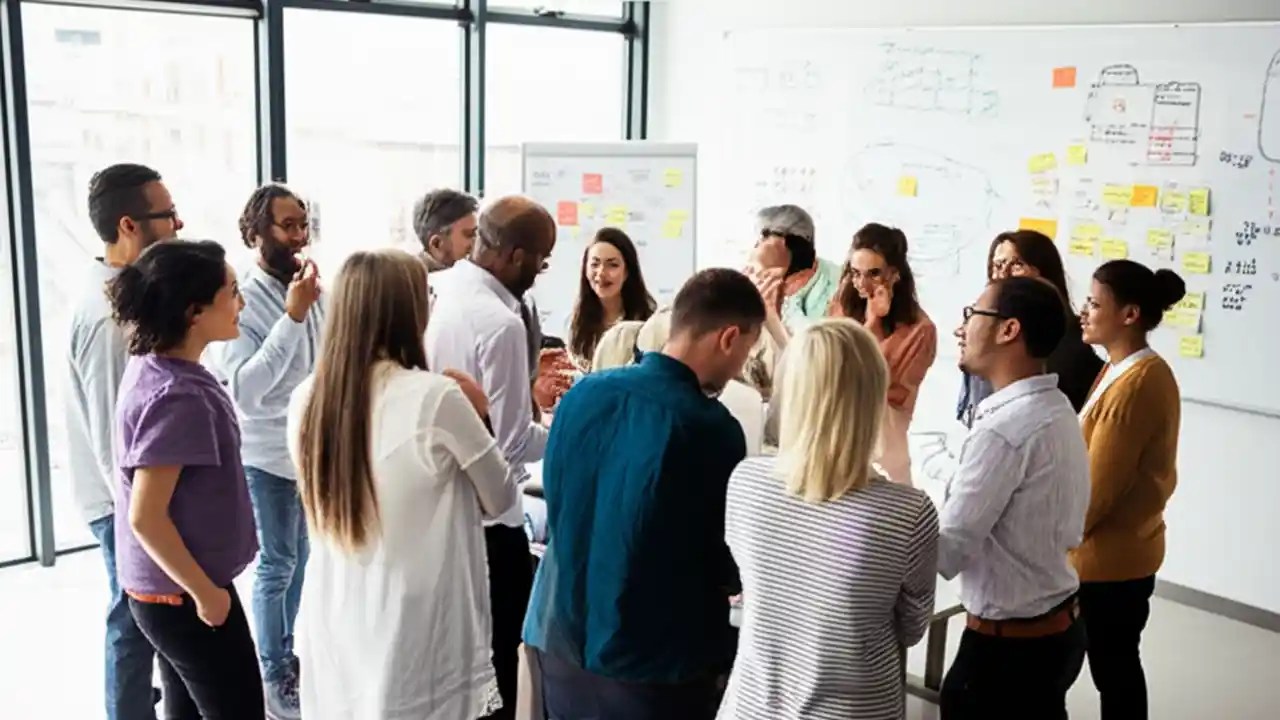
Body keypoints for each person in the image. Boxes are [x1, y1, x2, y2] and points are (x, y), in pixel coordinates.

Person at [523, 268, 765, 719]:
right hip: (651, 656)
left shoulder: (583, 394)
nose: (739, 371)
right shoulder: (710, 427)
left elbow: (560, 503)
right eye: (747, 352)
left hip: (558, 632)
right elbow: (718, 552)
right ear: (730, 337)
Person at [287, 250, 517, 719]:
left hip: (335, 608)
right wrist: (482, 413)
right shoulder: (436, 398)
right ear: (406, 309)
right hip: (417, 620)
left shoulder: (307, 398)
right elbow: (501, 498)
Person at [718, 319, 938, 720]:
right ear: (872, 396)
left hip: (752, 708)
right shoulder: (908, 514)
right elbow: (911, 629)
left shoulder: (746, 483)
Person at [106, 240, 261, 719]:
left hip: (170, 590)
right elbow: (147, 517)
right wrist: (205, 594)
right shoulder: (178, 396)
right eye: (232, 293)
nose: (242, 303)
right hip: (182, 593)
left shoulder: (157, 366)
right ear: (195, 311)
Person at [425, 195, 557, 720]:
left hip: (443, 507)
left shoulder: (443, 287)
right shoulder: (499, 322)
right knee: (499, 666)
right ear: (516, 255)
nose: (541, 271)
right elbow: (506, 446)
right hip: (493, 523)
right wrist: (571, 428)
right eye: (541, 261)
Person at [937, 276, 1090, 719]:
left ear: (1009, 330)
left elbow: (948, 551)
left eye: (973, 315)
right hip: (1057, 630)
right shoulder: (1056, 408)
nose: (961, 329)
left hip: (1006, 653)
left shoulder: (1004, 432)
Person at [65, 163, 180, 720]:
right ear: (130, 225)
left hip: (125, 499)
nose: (179, 223)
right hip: (120, 503)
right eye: (167, 215)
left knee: (136, 616)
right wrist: (146, 520)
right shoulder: (110, 316)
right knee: (132, 617)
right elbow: (118, 441)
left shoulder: (123, 294)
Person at [210, 183, 322, 719]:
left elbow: (316, 367)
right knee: (277, 566)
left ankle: (284, 658)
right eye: (288, 225)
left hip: (306, 451)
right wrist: (293, 317)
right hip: (264, 455)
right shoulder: (244, 298)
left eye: (303, 223)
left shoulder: (303, 285)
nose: (299, 235)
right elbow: (246, 391)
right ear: (257, 233)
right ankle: (273, 672)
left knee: (300, 563)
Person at [1074, 260, 1185, 720]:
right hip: (1115, 553)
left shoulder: (1137, 382)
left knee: (1114, 668)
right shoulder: (1120, 370)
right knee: (1115, 664)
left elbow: (1098, 491)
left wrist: (1052, 537)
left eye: (1096, 303)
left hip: (1110, 563)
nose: (1084, 311)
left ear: (1130, 314)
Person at [956, 230, 1104, 426]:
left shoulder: (1067, 343)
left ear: (1043, 273)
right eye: (997, 265)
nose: (1003, 275)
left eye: (1017, 265)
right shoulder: (985, 329)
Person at [828, 223, 937, 485]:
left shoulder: (920, 331)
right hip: (833, 441)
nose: (861, 284)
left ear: (895, 274)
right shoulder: (841, 305)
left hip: (884, 446)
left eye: (873, 274)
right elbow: (829, 372)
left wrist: (874, 327)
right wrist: (870, 323)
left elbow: (878, 390)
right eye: (855, 273)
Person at [740, 205, 841, 399]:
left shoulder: (837, 287)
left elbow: (817, 368)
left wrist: (779, 312)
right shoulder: (757, 284)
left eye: (763, 237)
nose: (756, 245)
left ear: (784, 242)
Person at [566, 227, 656, 370]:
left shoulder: (648, 323)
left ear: (627, 271)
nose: (601, 273)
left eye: (612, 265)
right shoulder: (577, 322)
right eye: (595, 264)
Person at [413, 187, 479, 274]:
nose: (477, 242)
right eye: (469, 235)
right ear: (437, 243)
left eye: (478, 233)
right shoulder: (415, 284)